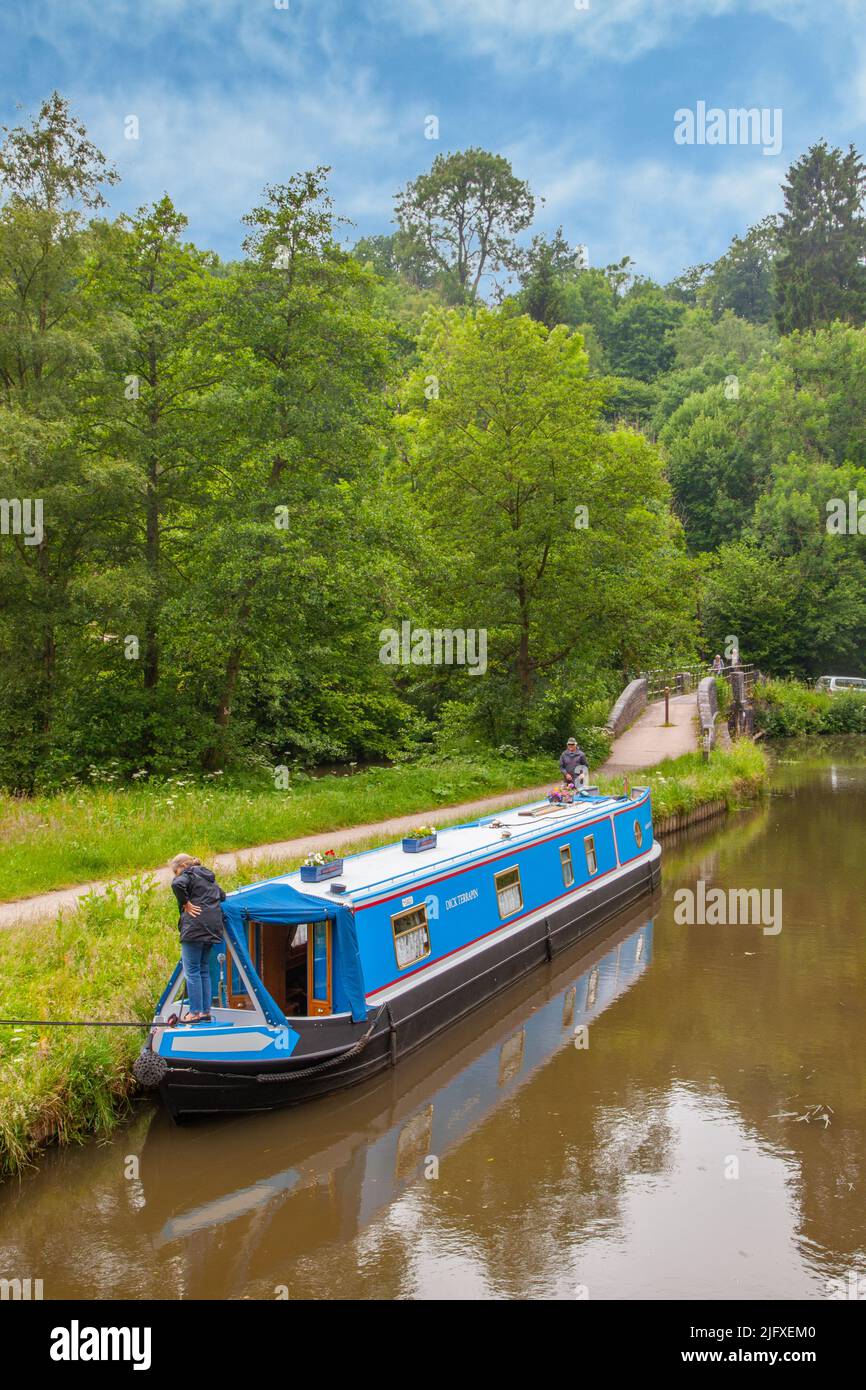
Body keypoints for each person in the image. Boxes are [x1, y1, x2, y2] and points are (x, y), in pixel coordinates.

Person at [170, 853, 227, 1024]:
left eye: (175, 871)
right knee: (203, 970)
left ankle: (194, 1013)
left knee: (192, 971)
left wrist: (186, 903)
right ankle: (204, 1012)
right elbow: (222, 896)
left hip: (195, 928)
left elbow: (177, 885)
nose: (175, 875)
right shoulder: (208, 877)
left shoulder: (187, 875)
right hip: (212, 928)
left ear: (183, 866)